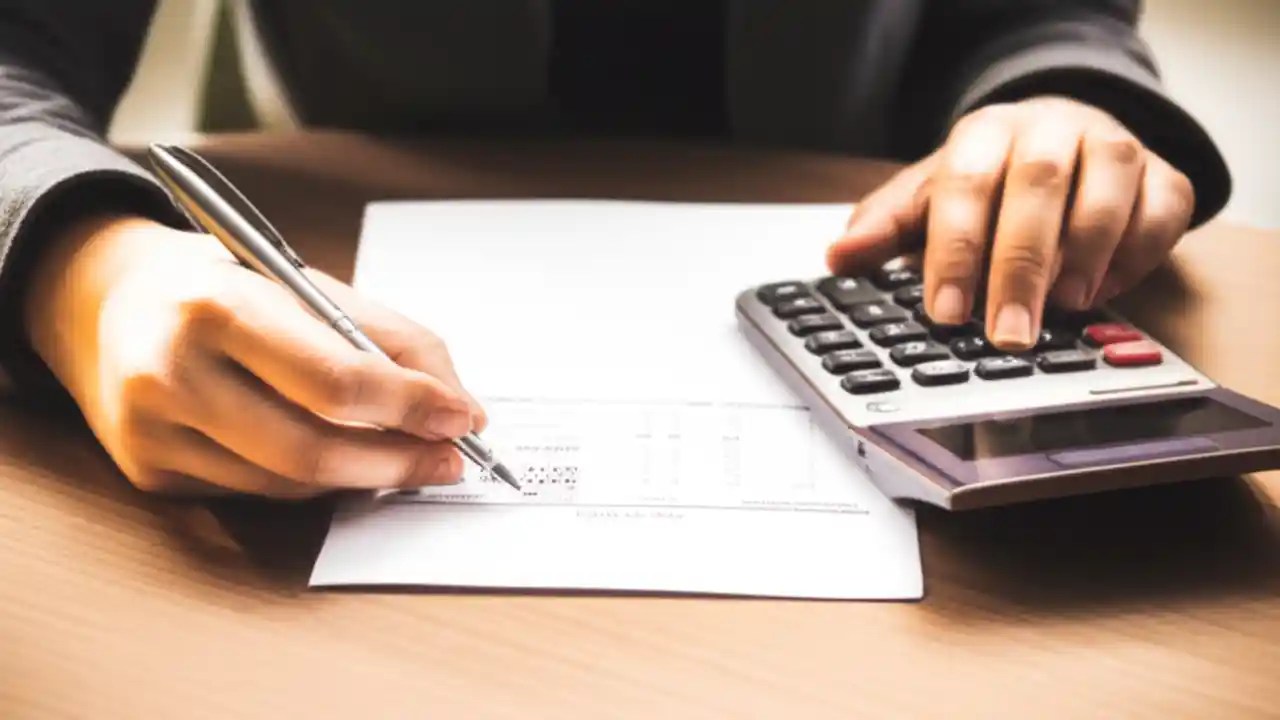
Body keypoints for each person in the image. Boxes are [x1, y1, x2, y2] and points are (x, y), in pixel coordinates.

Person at [0, 2, 1230, 499]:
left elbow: (1031, 13)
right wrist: (81, 269)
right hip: (317, 277)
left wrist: (1058, 97)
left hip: (881, 280)